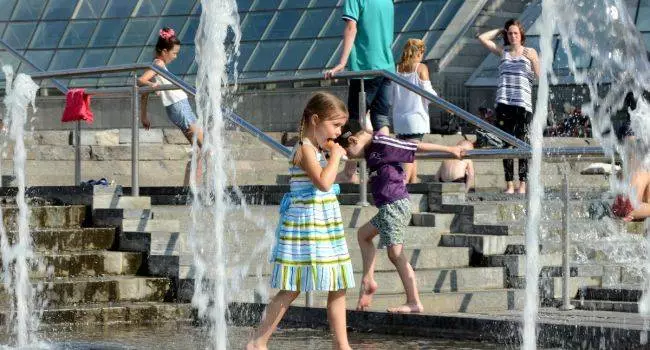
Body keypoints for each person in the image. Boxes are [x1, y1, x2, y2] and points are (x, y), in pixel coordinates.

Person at [247, 92, 354, 350]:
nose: (339, 132)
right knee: (292, 287)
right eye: (336, 125)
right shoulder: (305, 147)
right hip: (308, 227)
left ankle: (342, 345)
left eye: (341, 126)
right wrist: (337, 158)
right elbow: (322, 182)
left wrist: (342, 166)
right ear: (316, 120)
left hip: (323, 226)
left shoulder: (317, 149)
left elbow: (327, 182)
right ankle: (258, 342)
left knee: (338, 283)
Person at [335, 122, 463, 313]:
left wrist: (450, 149)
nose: (349, 157)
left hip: (395, 204)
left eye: (348, 152)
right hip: (388, 206)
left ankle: (413, 301)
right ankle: (368, 280)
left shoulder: (382, 143)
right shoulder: (370, 148)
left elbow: (415, 146)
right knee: (363, 235)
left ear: (354, 140)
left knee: (395, 254)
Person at [325, 0, 395, 183]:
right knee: (381, 119)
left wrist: (342, 62)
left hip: (366, 68)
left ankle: (350, 172)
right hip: (386, 66)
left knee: (353, 122)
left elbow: (351, 27)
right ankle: (383, 169)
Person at [478, 19, 540, 194]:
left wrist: (535, 60)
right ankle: (509, 185)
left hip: (522, 104)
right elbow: (483, 38)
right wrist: (500, 30)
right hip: (504, 103)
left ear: (521, 35)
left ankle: (522, 184)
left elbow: (539, 75)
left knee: (522, 144)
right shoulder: (503, 51)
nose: (513, 36)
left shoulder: (530, 52)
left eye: (516, 33)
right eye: (510, 33)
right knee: (505, 145)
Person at [138, 27, 203, 148]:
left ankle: (199, 167)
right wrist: (152, 85)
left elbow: (144, 93)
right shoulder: (158, 64)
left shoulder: (156, 64)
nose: (175, 57)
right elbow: (141, 80)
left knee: (198, 149)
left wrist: (144, 116)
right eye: (174, 53)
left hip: (177, 107)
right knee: (205, 145)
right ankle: (214, 166)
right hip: (179, 106)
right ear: (164, 51)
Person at [392, 38, 438, 184]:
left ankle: (414, 179)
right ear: (419, 52)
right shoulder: (421, 68)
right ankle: (402, 185)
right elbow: (428, 93)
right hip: (416, 118)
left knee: (410, 151)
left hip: (399, 118)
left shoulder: (397, 68)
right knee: (410, 153)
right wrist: (440, 101)